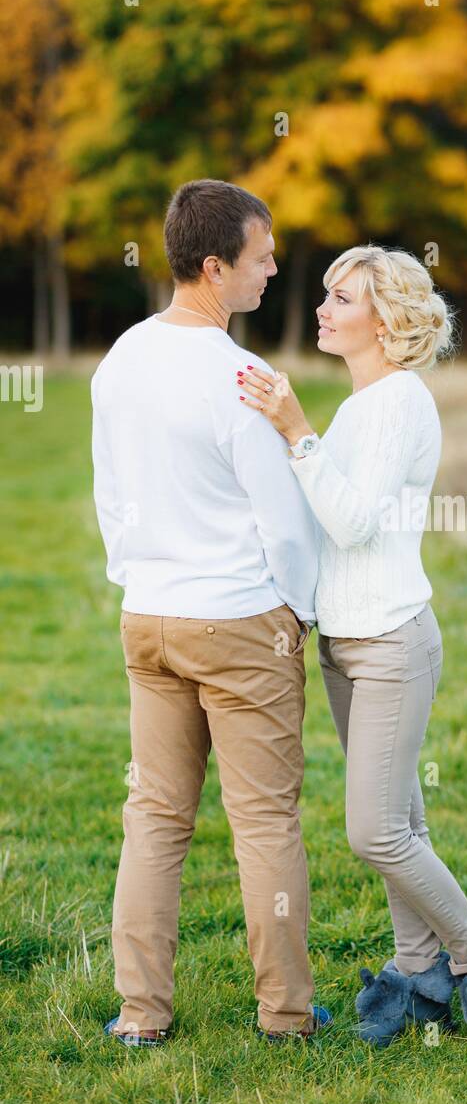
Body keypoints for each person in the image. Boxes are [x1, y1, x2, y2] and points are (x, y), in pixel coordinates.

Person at [236, 244, 467, 1044]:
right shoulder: (364, 403)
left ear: (387, 320)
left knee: (375, 832)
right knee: (405, 823)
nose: (324, 309)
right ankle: (414, 968)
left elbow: (355, 522)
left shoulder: (401, 400)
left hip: (393, 640)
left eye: (342, 298)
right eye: (326, 295)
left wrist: (297, 433)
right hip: (345, 643)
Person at [91, 179, 330, 1047]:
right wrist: (295, 614)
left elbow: (110, 497)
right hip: (239, 623)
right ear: (213, 265)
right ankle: (286, 1017)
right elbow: (284, 523)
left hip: (148, 617)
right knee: (264, 820)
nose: (271, 272)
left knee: (154, 816)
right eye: (261, 259)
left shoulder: (119, 360)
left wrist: (141, 576)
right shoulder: (246, 378)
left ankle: (141, 1016)